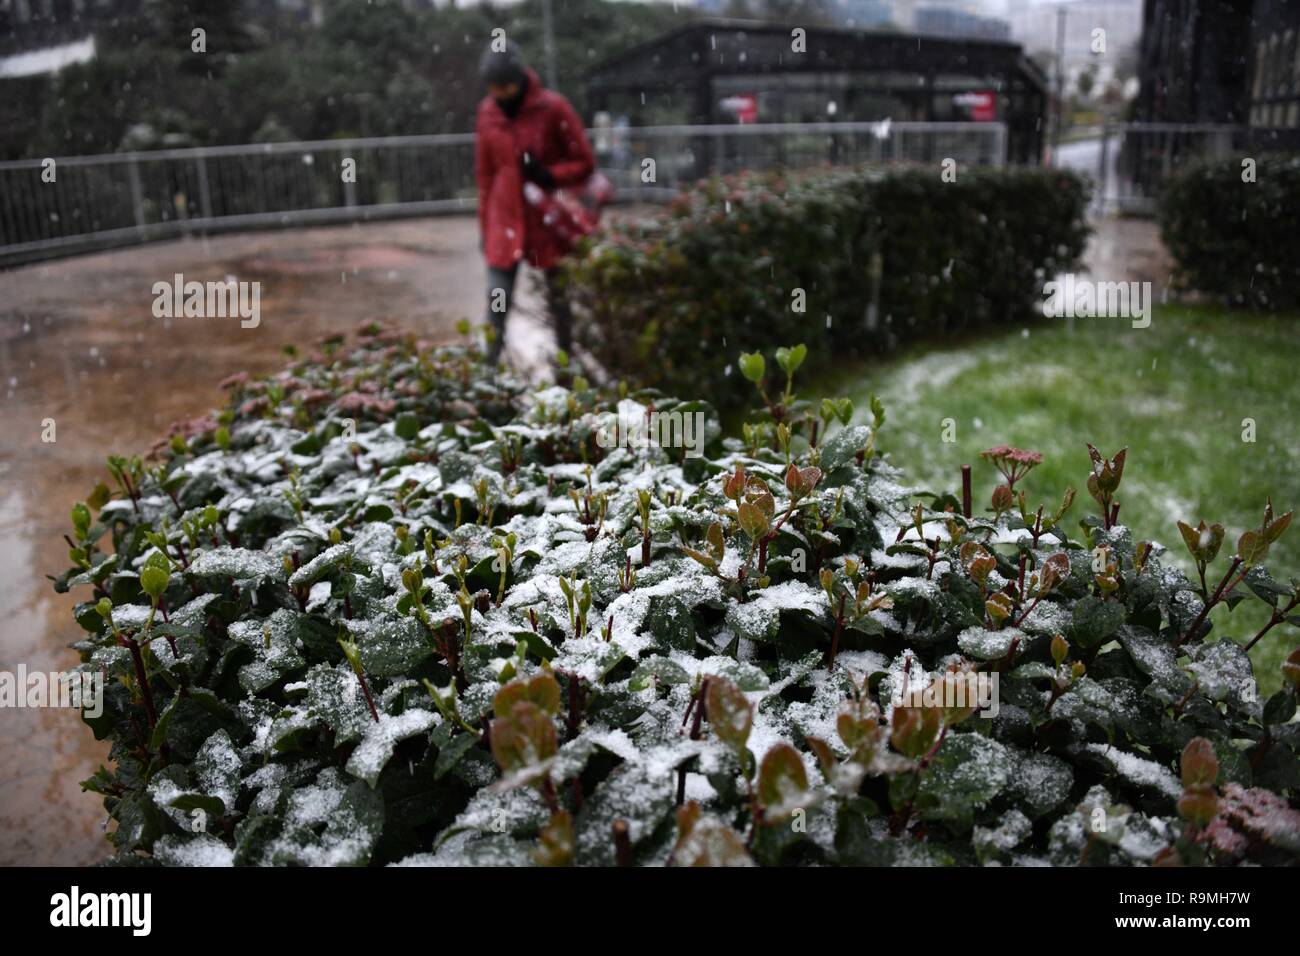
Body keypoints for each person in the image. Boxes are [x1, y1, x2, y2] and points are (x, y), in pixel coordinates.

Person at [474, 41, 594, 366]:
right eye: (493, 86)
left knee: (559, 300)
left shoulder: (553, 108)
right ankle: (486, 372)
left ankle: (567, 367)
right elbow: (485, 175)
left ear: (521, 78)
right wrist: (485, 225)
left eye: (505, 85)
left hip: (545, 221)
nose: (499, 93)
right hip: (504, 218)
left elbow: (584, 161)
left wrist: (548, 174)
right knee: (496, 300)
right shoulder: (487, 113)